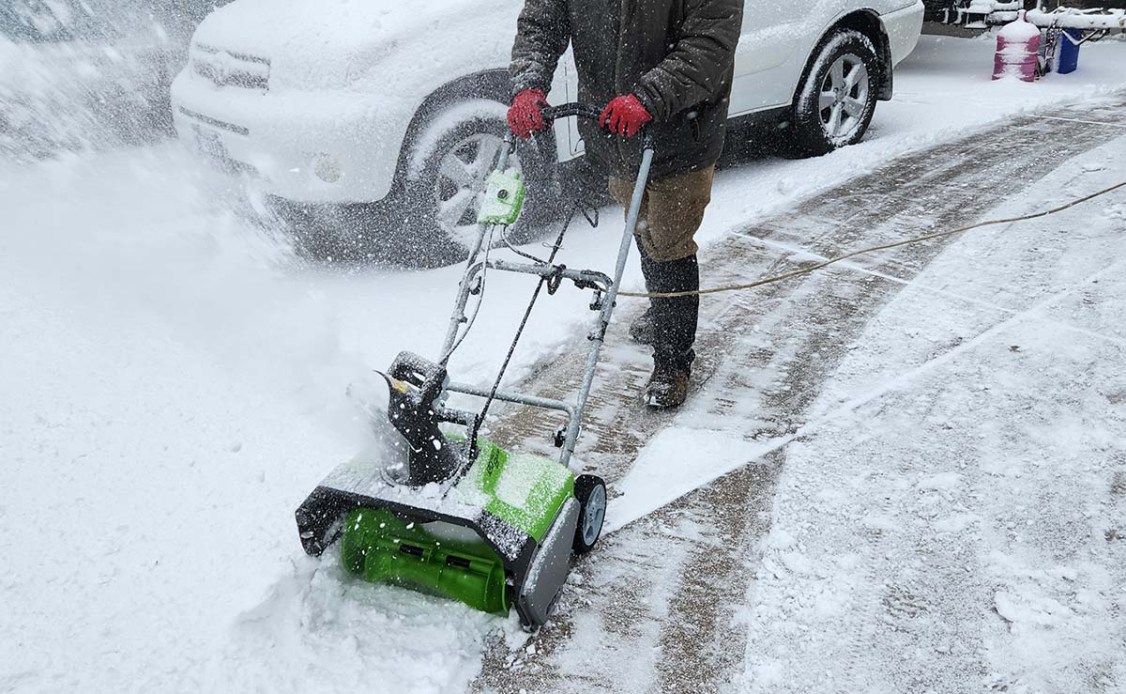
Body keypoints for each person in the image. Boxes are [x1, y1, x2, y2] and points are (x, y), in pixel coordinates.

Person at [507, 0, 742, 408]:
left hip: (681, 134)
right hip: (613, 131)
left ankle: (673, 361)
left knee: (669, 239)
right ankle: (662, 310)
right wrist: (529, 84)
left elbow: (708, 47)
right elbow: (541, 21)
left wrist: (649, 97)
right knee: (641, 223)